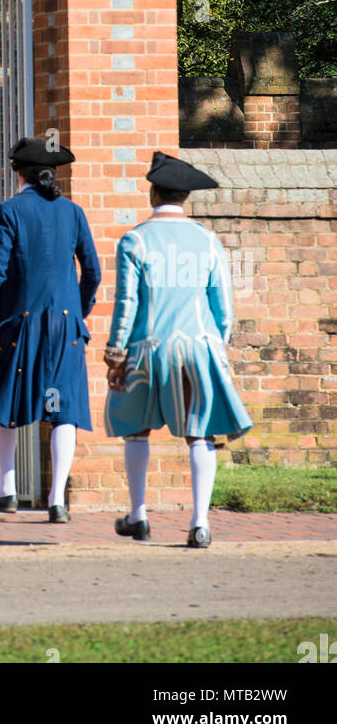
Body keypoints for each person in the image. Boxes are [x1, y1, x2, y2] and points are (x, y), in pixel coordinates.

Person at [104, 151, 253, 548]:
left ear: (153, 193)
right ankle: (200, 522)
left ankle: (138, 516)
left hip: (147, 349)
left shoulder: (134, 239)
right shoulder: (206, 240)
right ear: (185, 197)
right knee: (200, 434)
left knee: (135, 430)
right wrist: (216, 348)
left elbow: (127, 304)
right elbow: (223, 307)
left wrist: (116, 354)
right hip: (197, 347)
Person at [0, 138, 101, 521]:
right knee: (60, 408)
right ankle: (57, 500)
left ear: (17, 172)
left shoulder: (10, 210)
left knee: (2, 400)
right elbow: (92, 271)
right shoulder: (73, 212)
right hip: (64, 328)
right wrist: (79, 311)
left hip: (18, 325)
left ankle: (6, 489)